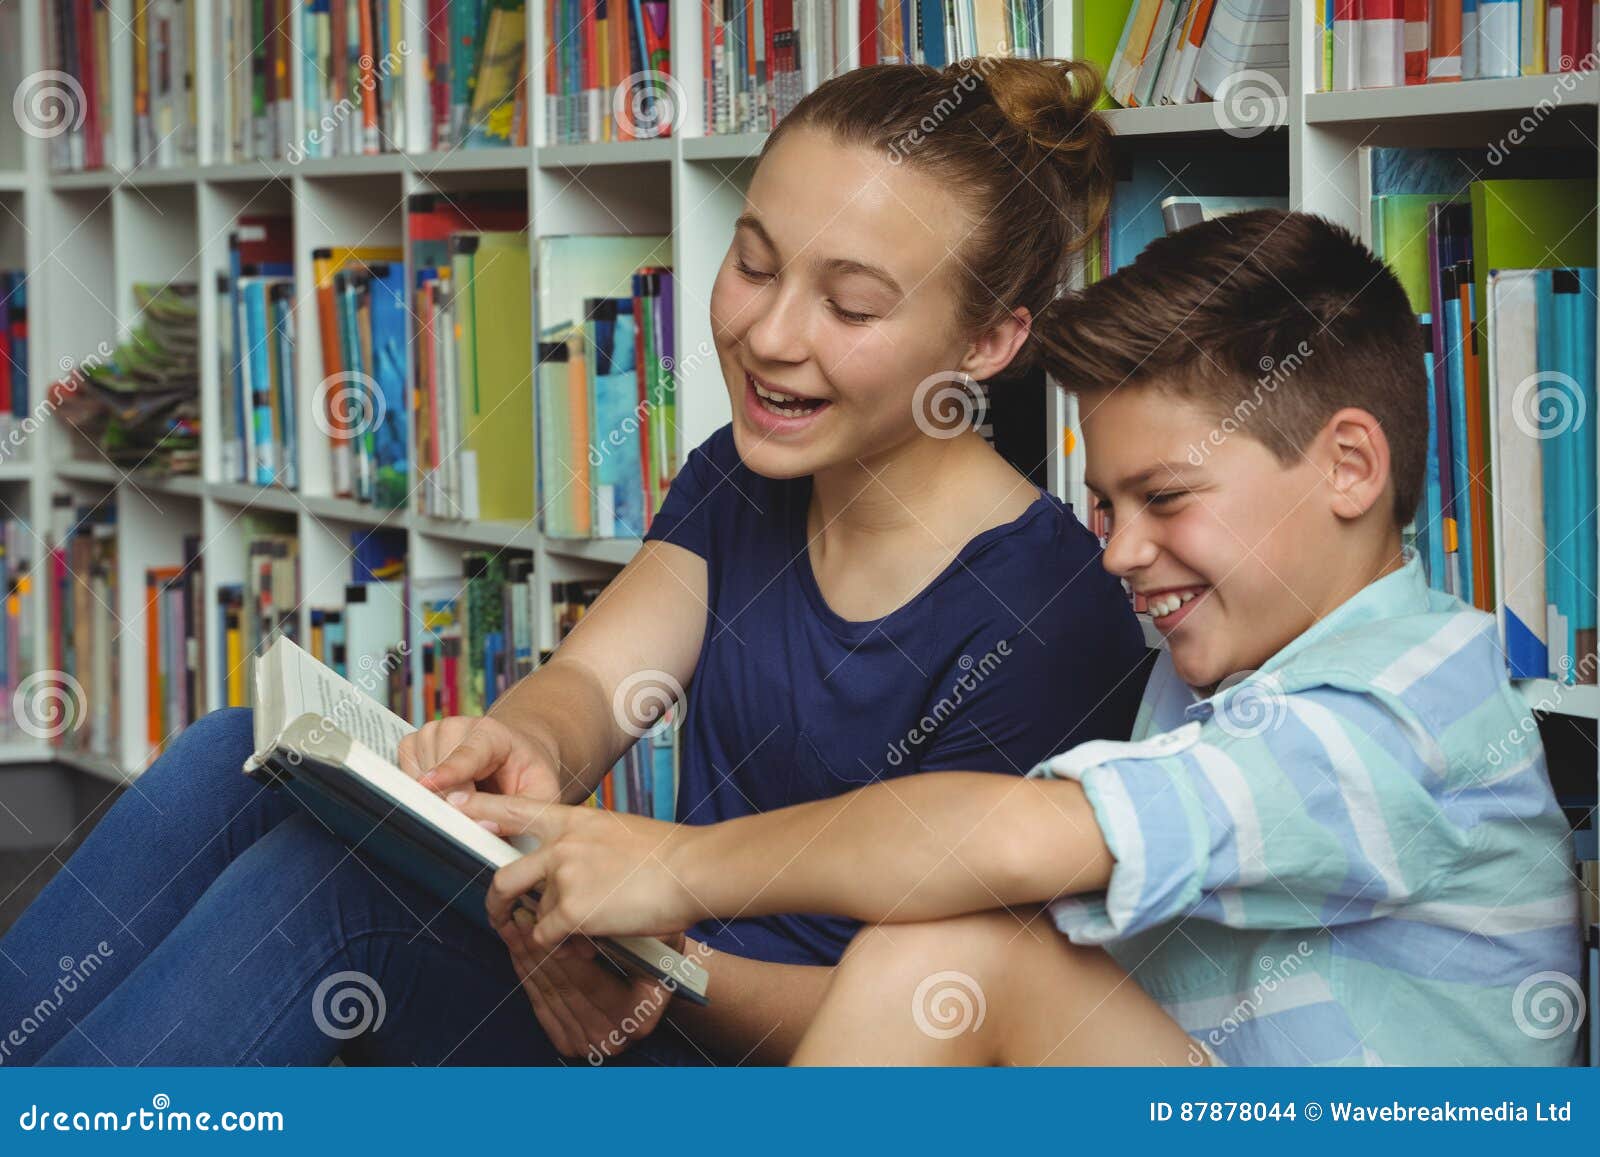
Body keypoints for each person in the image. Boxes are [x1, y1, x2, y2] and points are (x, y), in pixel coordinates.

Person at [0, 58, 1149, 1065]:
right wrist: (529, 741)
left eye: (849, 304)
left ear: (991, 340)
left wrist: (656, 980)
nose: (769, 333)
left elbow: (955, 1014)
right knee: (232, 754)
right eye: (753, 265)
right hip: (621, 969)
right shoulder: (745, 478)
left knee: (322, 891)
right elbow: (599, 683)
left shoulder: (1046, 618)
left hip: (777, 1055)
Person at [468, 210, 1584, 1067]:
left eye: (1164, 496)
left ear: (1348, 465)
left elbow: (996, 841)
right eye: (1105, 506)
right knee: (955, 945)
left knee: (962, 947)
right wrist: (672, 973)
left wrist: (674, 865)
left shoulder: (1403, 710)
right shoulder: (1220, 681)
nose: (1117, 552)